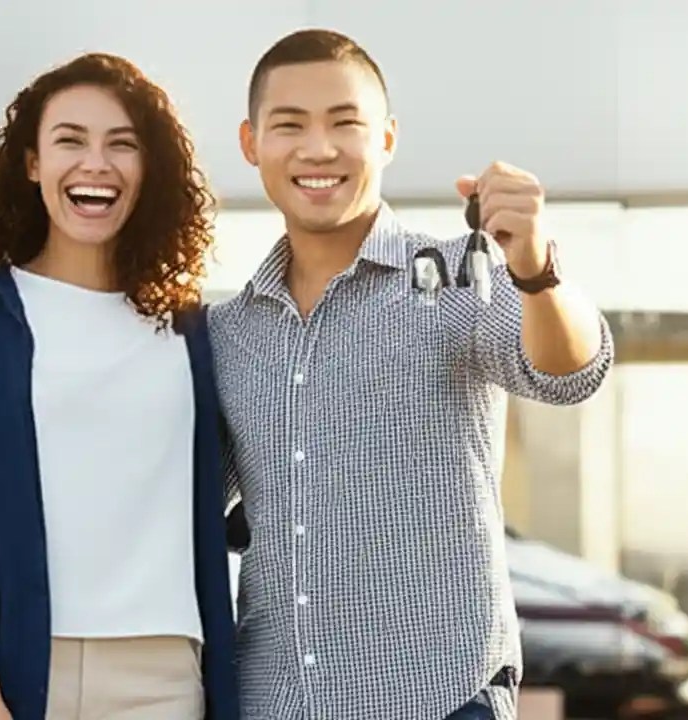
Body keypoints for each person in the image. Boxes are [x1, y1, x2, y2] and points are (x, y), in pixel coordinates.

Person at [209, 28, 614, 720]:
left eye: (345, 123)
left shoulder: (459, 275)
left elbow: (569, 372)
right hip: (274, 698)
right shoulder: (227, 334)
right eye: (290, 125)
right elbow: (180, 505)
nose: (318, 149)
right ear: (251, 143)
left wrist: (537, 272)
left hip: (442, 696)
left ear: (388, 139)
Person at [0, 52, 241, 720]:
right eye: (70, 141)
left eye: (123, 144)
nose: (97, 164)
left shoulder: (193, 330)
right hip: (18, 673)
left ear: (150, 170)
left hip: (166, 676)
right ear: (32, 163)